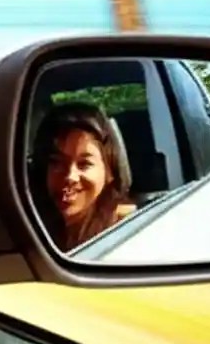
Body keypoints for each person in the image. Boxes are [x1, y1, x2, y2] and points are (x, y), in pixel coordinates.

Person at [28, 102, 136, 252]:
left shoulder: (127, 227)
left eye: (84, 164)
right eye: (57, 163)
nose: (70, 176)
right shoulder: (29, 224)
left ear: (109, 172)